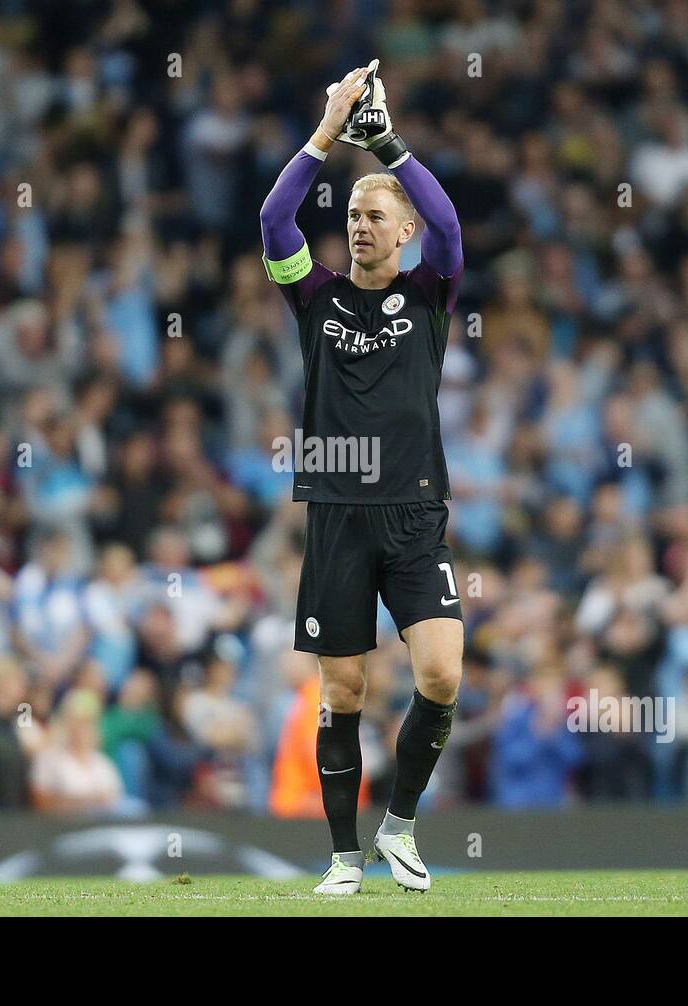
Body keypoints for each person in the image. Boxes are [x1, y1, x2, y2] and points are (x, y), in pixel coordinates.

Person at [259, 63, 464, 894]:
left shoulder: (431, 294)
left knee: (443, 674)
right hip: (338, 513)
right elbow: (275, 218)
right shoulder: (315, 299)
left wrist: (384, 140)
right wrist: (324, 133)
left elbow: (453, 224)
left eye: (376, 214)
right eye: (352, 216)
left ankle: (401, 827)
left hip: (415, 515)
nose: (361, 226)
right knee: (343, 689)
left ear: (404, 229)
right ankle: (344, 859)